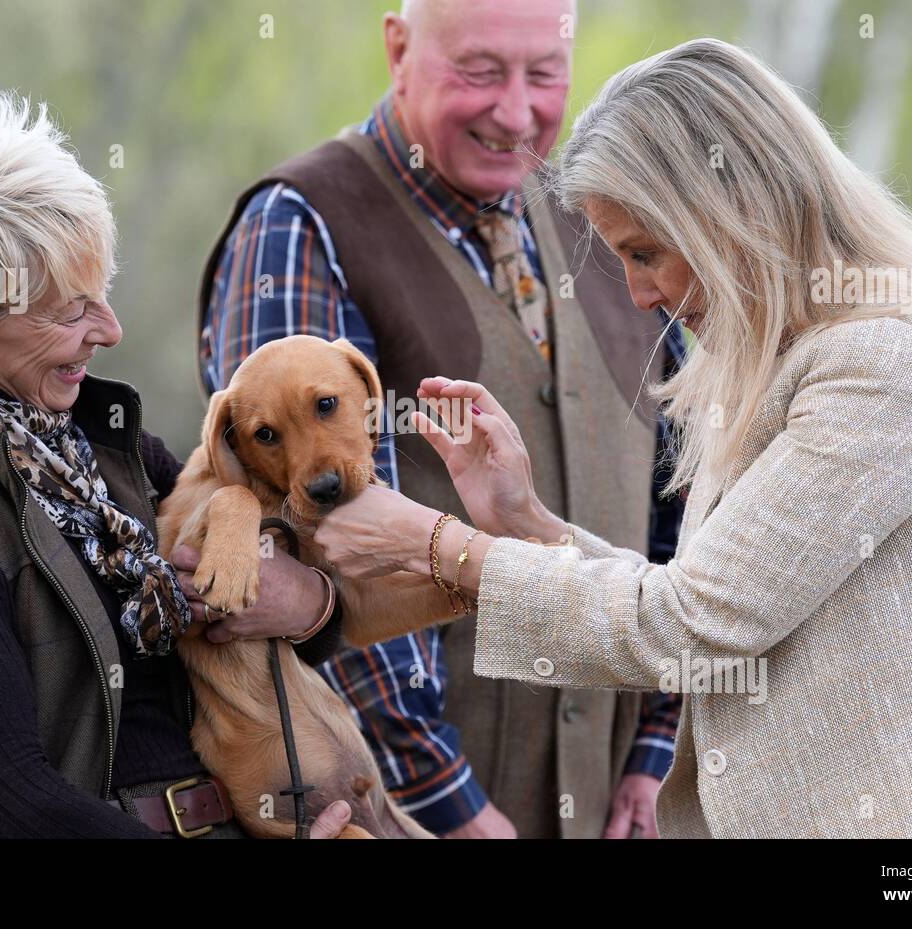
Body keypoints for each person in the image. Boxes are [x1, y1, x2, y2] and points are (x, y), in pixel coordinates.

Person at [312, 38, 912, 838]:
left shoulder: (889, 358)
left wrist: (437, 543)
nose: (639, 295)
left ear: (728, 210)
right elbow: (716, 594)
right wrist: (526, 521)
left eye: (646, 253)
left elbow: (692, 625)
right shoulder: (787, 357)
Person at [199, 0, 682, 839]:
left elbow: (678, 489)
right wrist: (450, 806)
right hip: (403, 813)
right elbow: (314, 532)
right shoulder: (303, 224)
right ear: (397, 47)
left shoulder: (604, 217)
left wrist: (655, 747)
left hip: (617, 800)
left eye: (545, 73)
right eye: (481, 71)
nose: (517, 110)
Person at [0, 93, 351, 838]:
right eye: (71, 312)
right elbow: (14, 806)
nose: (110, 328)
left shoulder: (98, 443)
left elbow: (303, 618)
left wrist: (308, 601)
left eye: (100, 295)